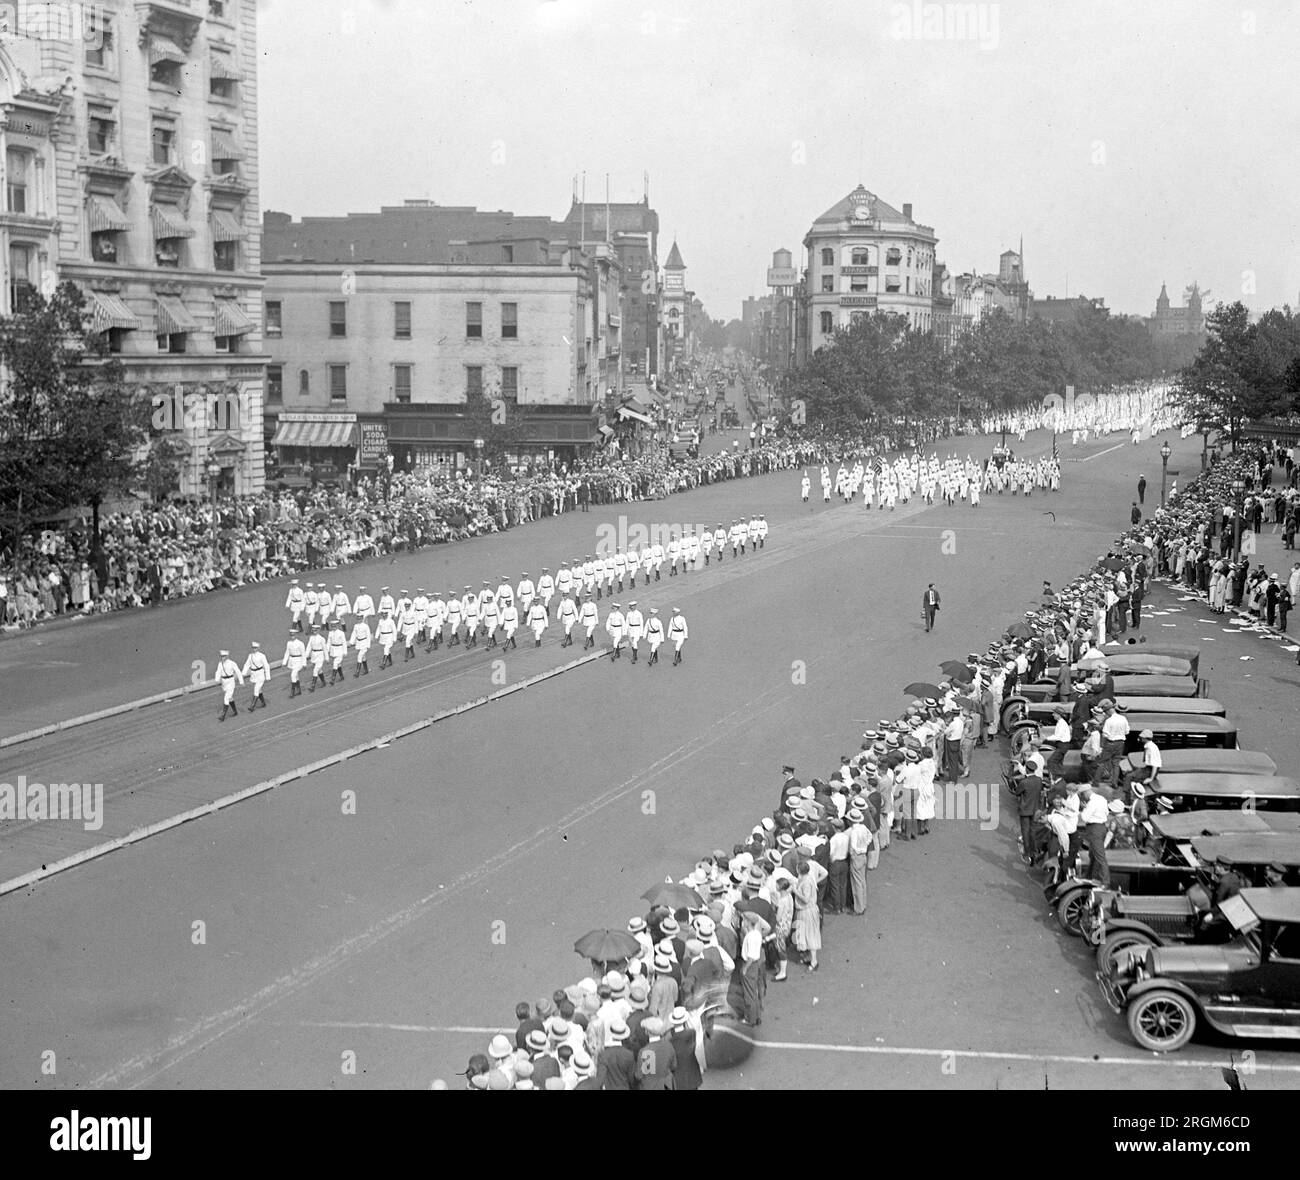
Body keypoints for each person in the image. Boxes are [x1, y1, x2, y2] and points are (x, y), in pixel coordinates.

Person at [791, 859, 824, 970]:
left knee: (810, 935)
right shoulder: (808, 878)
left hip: (807, 911)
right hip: (805, 911)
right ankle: (810, 957)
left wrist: (795, 891)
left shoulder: (806, 882)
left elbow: (806, 898)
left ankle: (814, 961)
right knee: (806, 935)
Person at [241, 641, 272, 710]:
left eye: (255, 648)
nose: (254, 649)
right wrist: (243, 673)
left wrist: (267, 676)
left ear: (258, 648)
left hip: (260, 674)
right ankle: (263, 702)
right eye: (253, 648)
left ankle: (252, 706)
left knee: (256, 689)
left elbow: (266, 666)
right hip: (254, 675)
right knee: (259, 690)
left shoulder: (262, 656)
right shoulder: (250, 656)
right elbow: (247, 665)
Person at [216, 649, 244, 721]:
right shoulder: (220, 664)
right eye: (221, 656)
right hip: (224, 682)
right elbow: (218, 672)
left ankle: (223, 715)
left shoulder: (232, 663)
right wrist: (217, 679)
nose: (222, 657)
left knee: (226, 698)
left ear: (227, 656)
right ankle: (235, 711)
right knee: (230, 698)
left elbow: (238, 672)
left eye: (224, 656)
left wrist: (241, 681)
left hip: (231, 682)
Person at [281, 628, 307, 696]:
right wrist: (284, 662)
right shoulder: (289, 643)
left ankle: (292, 691)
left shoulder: (300, 643)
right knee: (296, 676)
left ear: (296, 635)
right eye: (291, 635)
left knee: (293, 675)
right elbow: (287, 653)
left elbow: (303, 654)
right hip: (292, 661)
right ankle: (299, 690)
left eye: (294, 635)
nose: (292, 636)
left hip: (298, 661)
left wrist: (304, 663)